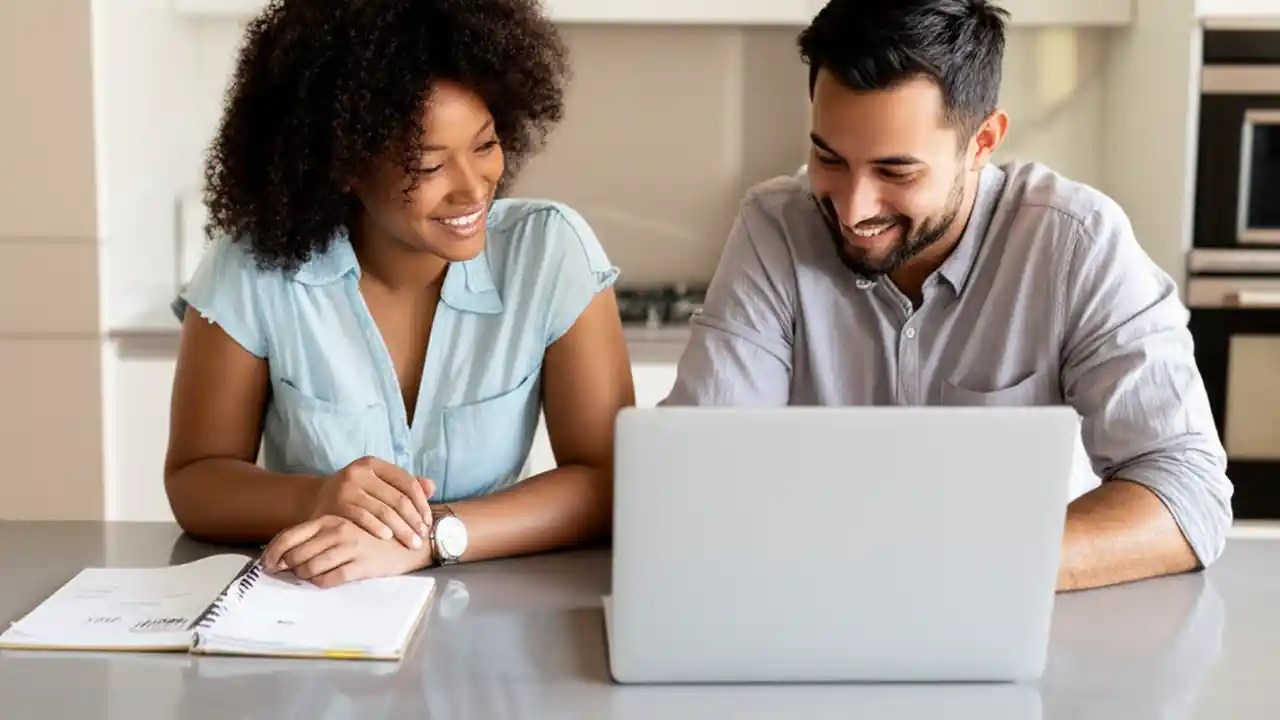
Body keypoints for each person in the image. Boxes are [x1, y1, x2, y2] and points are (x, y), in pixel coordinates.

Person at [664, 0, 1232, 592]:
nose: (853, 209)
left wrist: (959, 569)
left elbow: (1186, 491)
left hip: (1026, 626)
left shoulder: (1076, 241)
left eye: (896, 172)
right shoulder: (776, 227)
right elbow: (698, 472)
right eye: (828, 159)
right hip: (816, 612)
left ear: (982, 142)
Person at [164, 0, 634, 587]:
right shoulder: (252, 267)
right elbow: (196, 479)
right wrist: (319, 496)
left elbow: (611, 480)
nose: (472, 189)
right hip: (311, 615)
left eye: (485, 146)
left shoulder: (550, 253)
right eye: (429, 165)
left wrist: (433, 536)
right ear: (345, 164)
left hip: (497, 616)